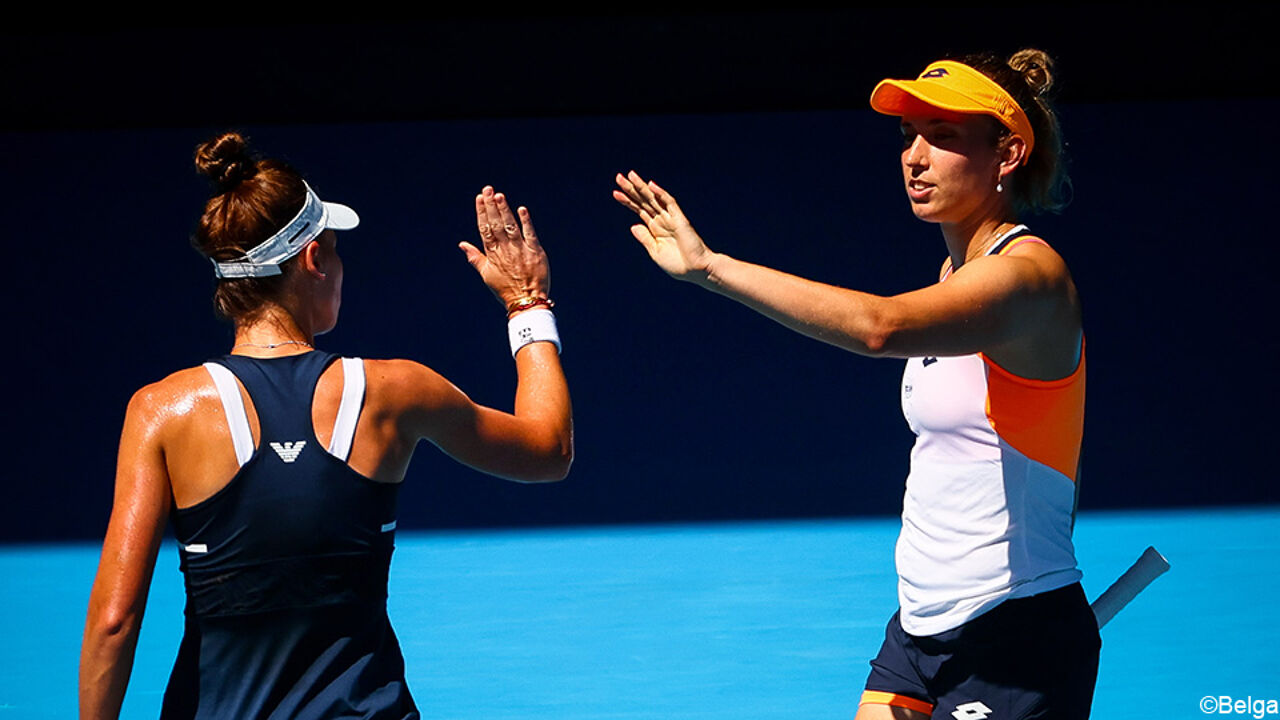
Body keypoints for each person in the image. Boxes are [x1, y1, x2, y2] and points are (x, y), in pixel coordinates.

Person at [613, 50, 1098, 719]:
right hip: (920, 627)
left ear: (1009, 154)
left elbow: (879, 328)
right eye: (909, 138)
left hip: (1012, 631)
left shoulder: (1030, 279)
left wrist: (711, 268)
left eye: (943, 138)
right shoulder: (950, 278)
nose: (915, 157)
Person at [79, 132, 573, 719]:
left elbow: (114, 622)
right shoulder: (394, 393)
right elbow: (549, 449)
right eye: (335, 250)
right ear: (313, 259)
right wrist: (527, 302)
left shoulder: (161, 410)